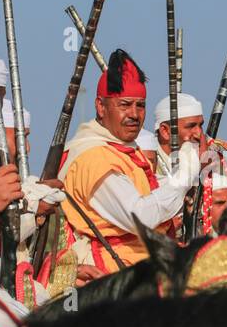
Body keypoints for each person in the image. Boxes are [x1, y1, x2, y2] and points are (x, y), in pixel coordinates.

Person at [60, 48, 201, 269]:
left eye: (140, 105)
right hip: (114, 278)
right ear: (100, 106)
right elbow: (141, 217)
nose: (134, 114)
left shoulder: (120, 150)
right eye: (124, 105)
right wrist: (185, 175)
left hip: (144, 269)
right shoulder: (94, 158)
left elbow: (147, 191)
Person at [152, 93, 204, 178]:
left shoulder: (210, 154)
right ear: (165, 131)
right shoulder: (145, 161)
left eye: (200, 125)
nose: (199, 134)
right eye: (190, 126)